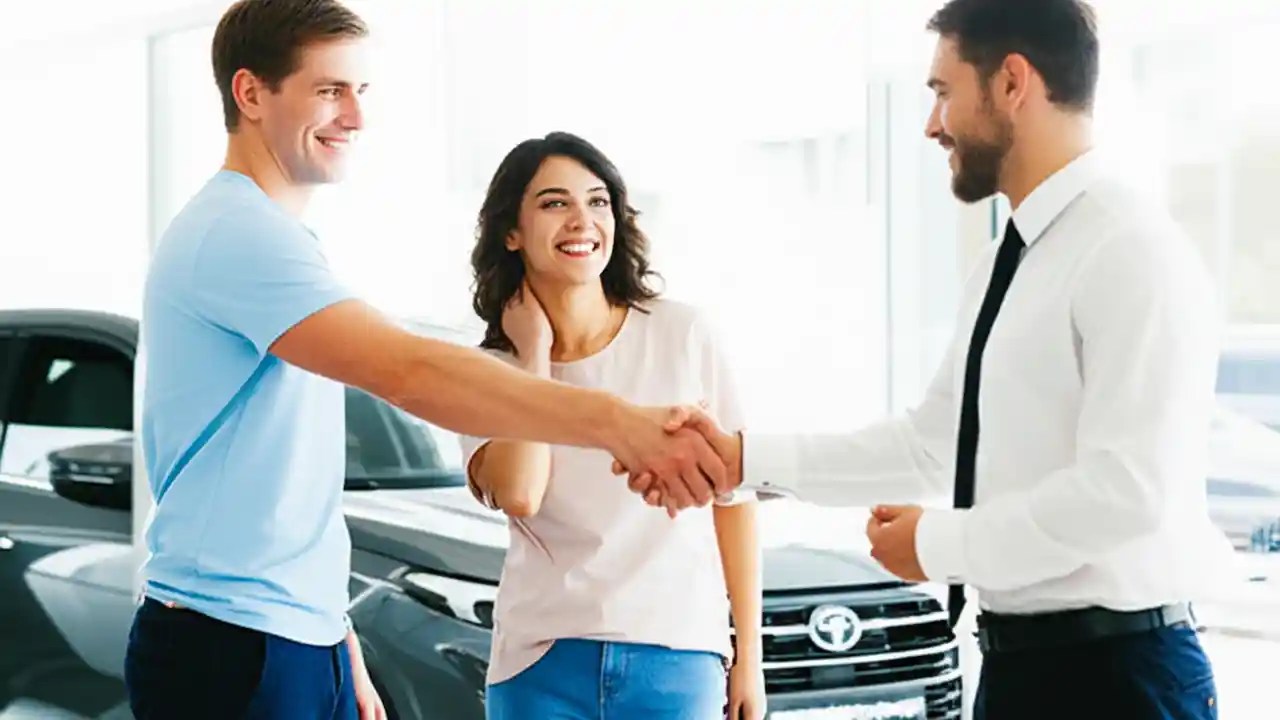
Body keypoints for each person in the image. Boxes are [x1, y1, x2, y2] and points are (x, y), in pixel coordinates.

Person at [124, 2, 730, 719]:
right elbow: (410, 371)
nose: (354, 115)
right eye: (328, 90)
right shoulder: (237, 235)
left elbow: (272, 481)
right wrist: (615, 422)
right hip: (232, 644)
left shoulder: (274, 238)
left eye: (361, 92)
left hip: (284, 633)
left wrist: (329, 628)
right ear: (251, 93)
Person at [629, 1, 1230, 718]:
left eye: (943, 91)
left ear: (1012, 82)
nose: (931, 123)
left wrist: (938, 543)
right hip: (1019, 672)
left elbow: (1126, 493)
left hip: (1120, 681)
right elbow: (932, 442)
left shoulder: (1131, 248)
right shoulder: (1003, 264)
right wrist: (738, 459)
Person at [458, 131, 766, 720]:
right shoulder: (486, 373)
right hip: (540, 663)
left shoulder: (682, 334)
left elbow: (735, 497)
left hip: (675, 653)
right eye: (554, 203)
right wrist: (535, 356)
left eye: (597, 202)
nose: (581, 220)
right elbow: (521, 492)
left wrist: (748, 654)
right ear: (511, 231)